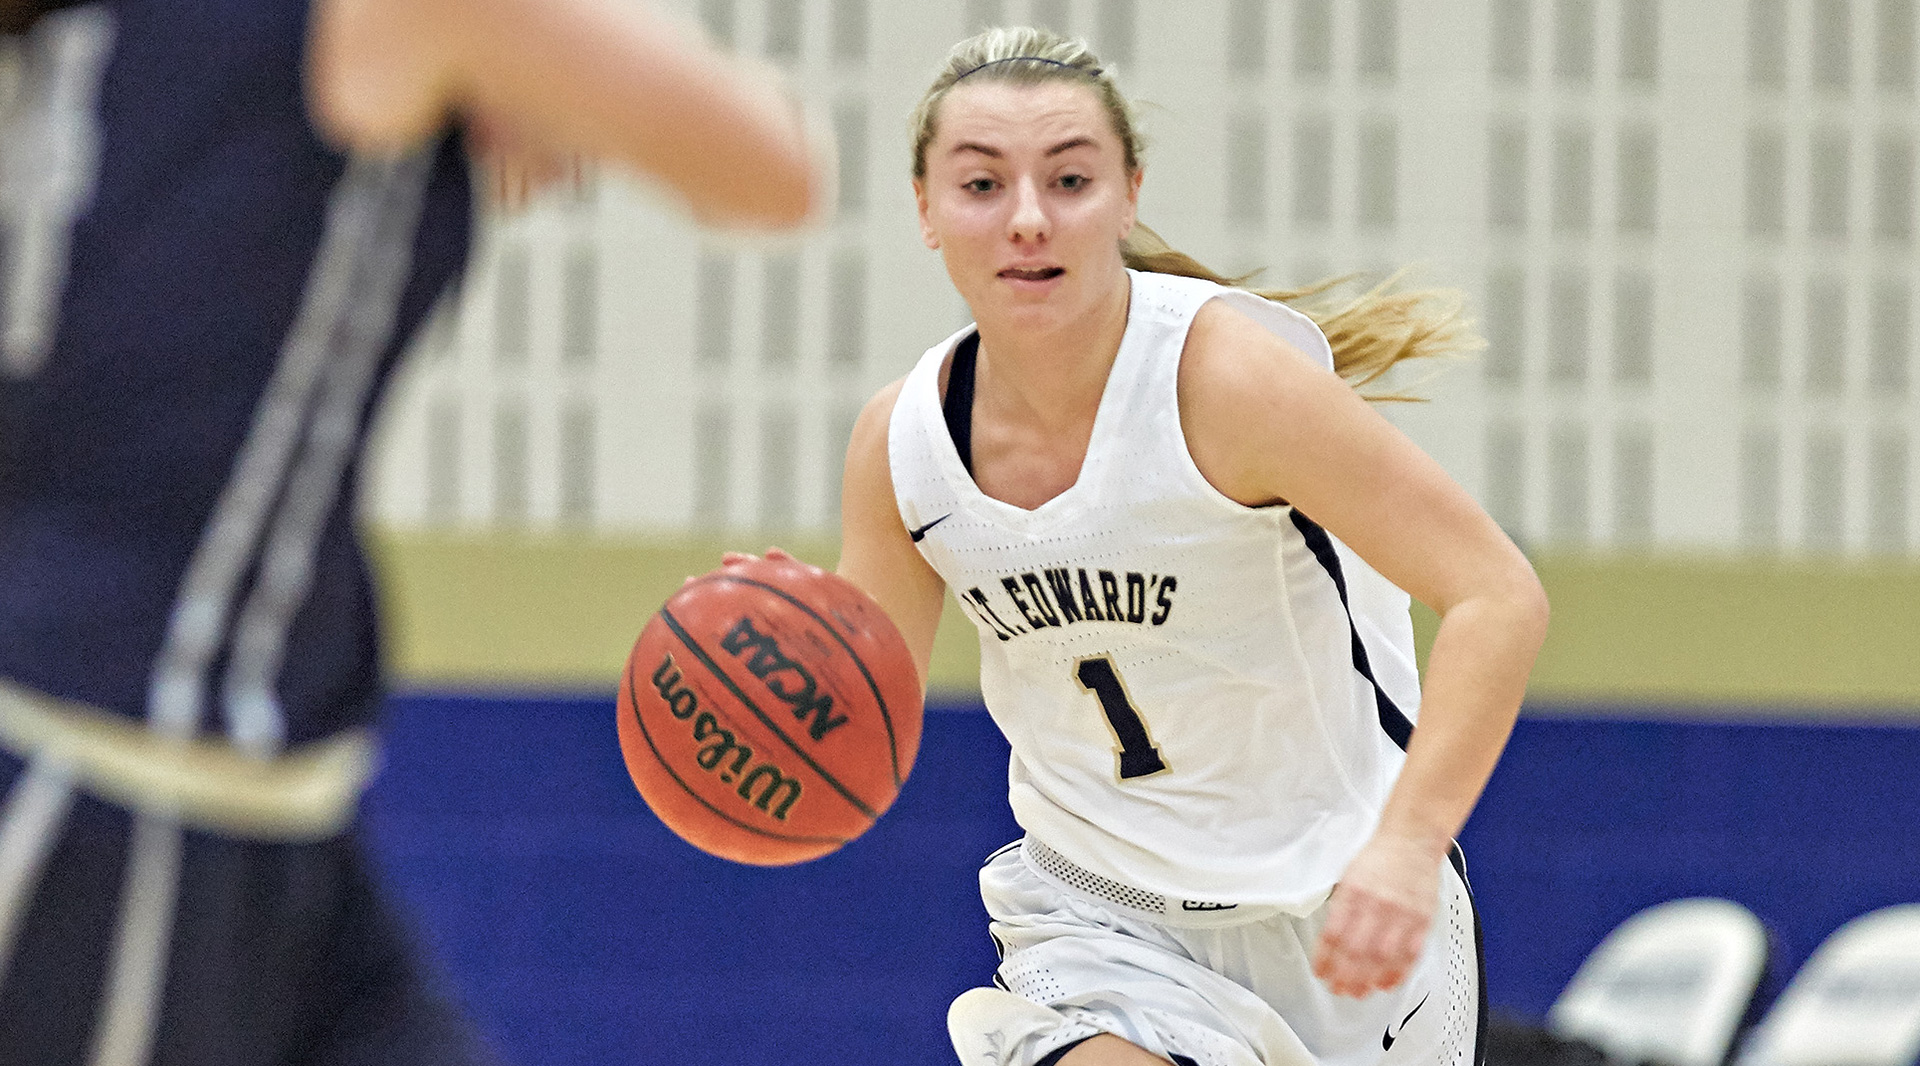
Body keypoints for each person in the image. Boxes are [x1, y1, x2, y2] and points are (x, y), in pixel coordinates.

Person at [0, 0, 830, 1063]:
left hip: (255, 793)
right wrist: (524, 64)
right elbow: (768, 166)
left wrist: (505, 72)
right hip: (126, 770)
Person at [827, 25, 1550, 1066]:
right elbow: (861, 729)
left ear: (1127, 193)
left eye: (1068, 179)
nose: (1028, 218)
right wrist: (776, 645)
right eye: (982, 184)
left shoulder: (1230, 387)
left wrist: (1408, 843)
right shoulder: (903, 447)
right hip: (1103, 914)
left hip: (1342, 903)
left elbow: (1497, 594)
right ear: (926, 209)